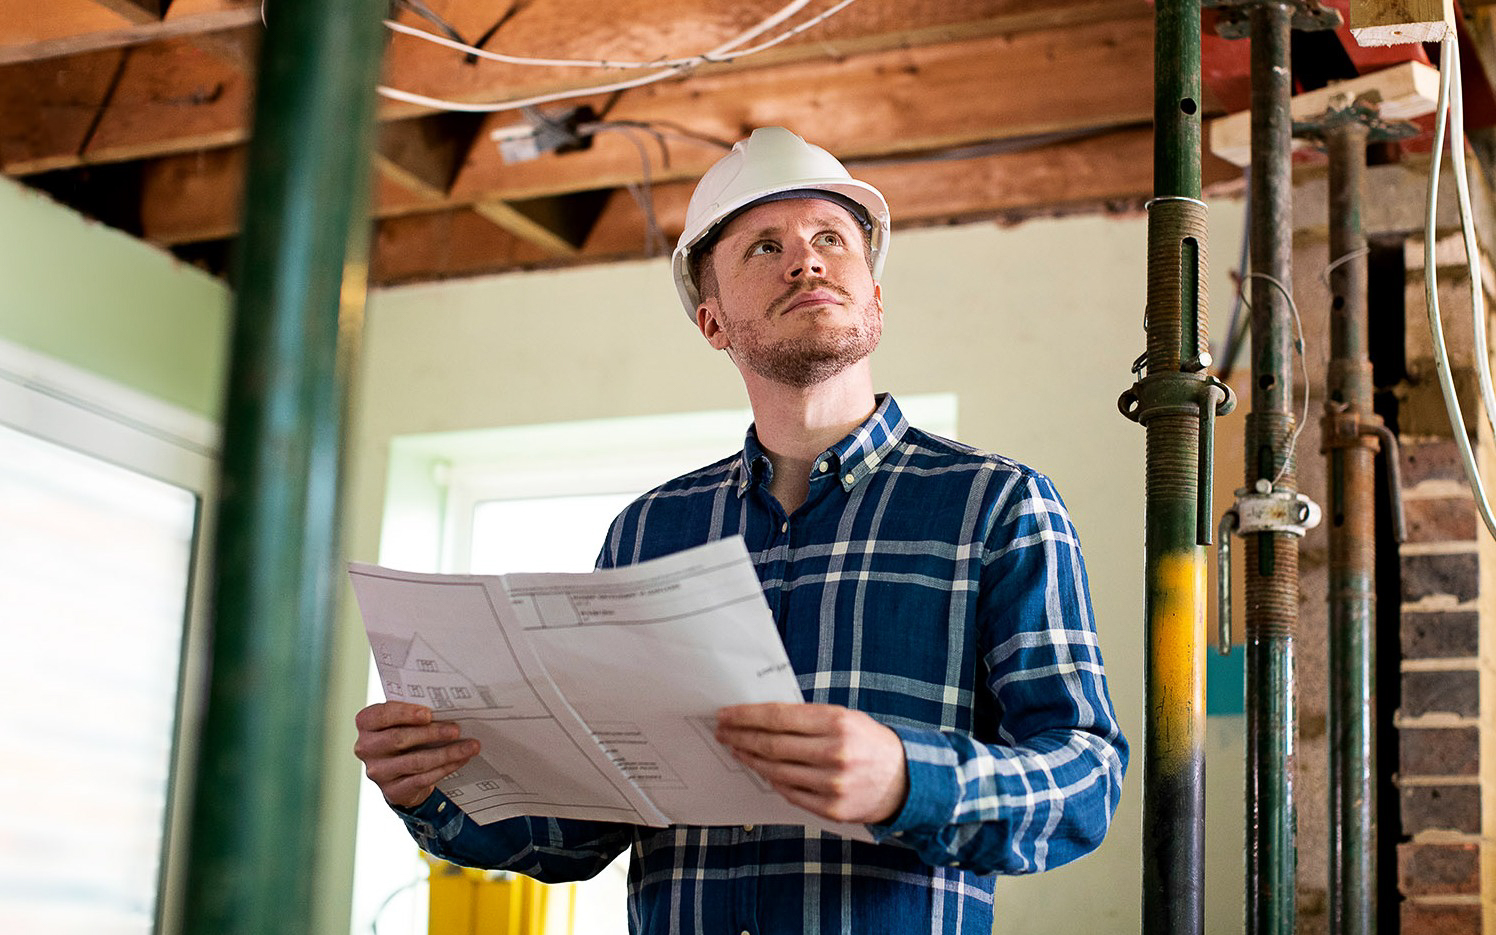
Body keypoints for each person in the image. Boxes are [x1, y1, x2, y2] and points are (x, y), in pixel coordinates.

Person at [354, 126, 1128, 934]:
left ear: (875, 299)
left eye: (832, 237)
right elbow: (588, 827)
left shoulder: (997, 505)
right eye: (765, 246)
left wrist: (908, 779)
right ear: (714, 324)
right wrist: (432, 790)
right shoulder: (649, 531)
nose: (806, 260)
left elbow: (1088, 777)